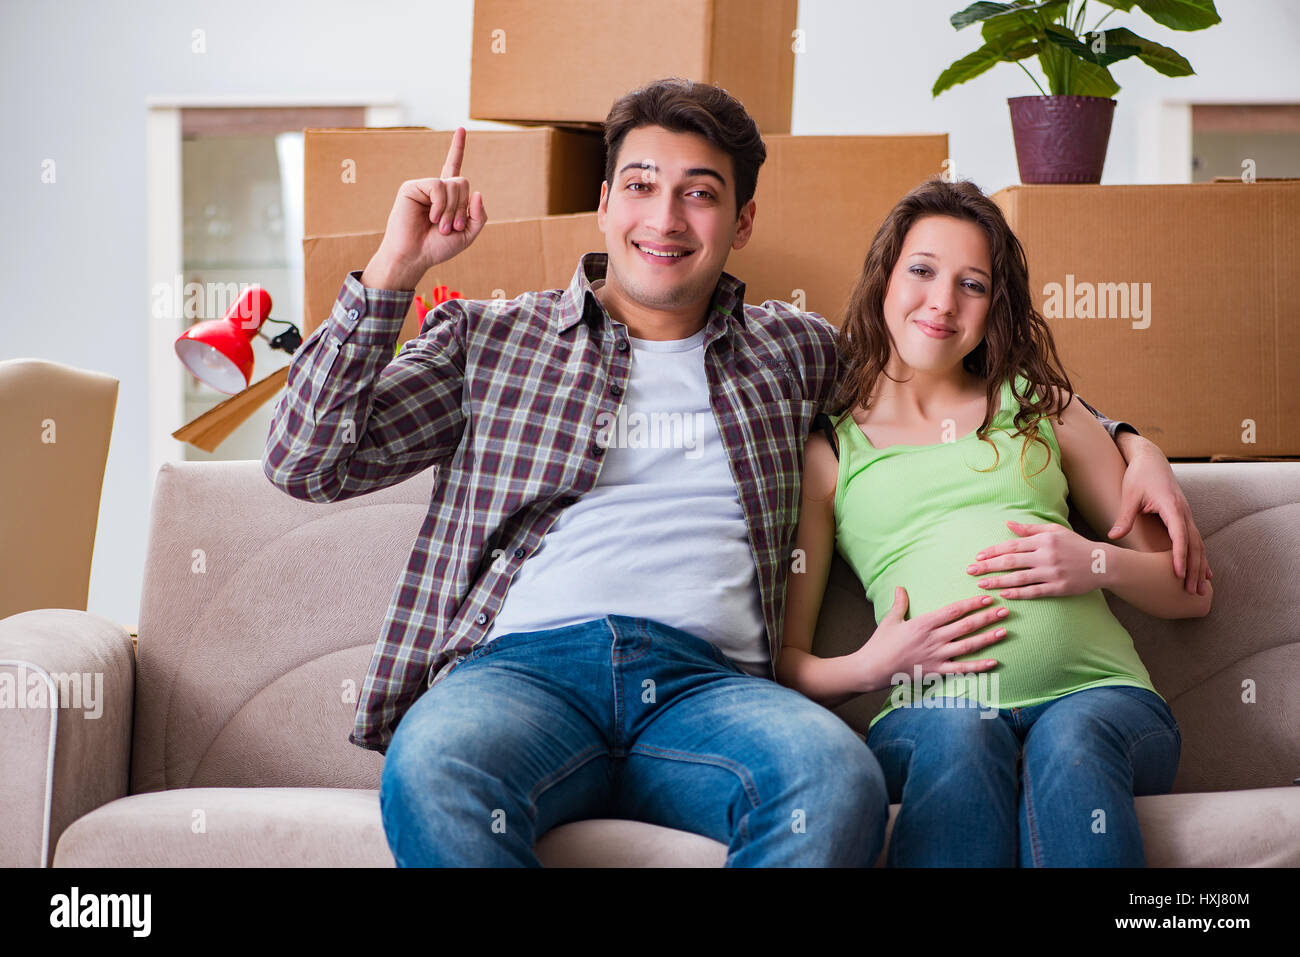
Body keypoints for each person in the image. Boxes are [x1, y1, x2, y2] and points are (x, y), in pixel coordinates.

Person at [263, 78, 1209, 867]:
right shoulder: (488, 339)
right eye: (640, 185)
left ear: (743, 218)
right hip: (523, 671)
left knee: (833, 782)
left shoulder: (796, 354)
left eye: (700, 192)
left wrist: (1136, 446)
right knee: (433, 770)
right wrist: (392, 271)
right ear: (603, 205)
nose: (664, 219)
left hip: (709, 687)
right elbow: (305, 461)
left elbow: (943, 373)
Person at [777, 178, 1213, 867]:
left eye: (972, 284)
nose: (942, 302)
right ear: (884, 279)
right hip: (931, 717)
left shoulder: (1044, 408)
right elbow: (787, 660)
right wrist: (870, 665)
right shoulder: (829, 452)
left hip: (1101, 699)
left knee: (1072, 742)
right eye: (922, 270)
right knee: (962, 731)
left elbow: (1192, 593)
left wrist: (1094, 560)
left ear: (994, 306)